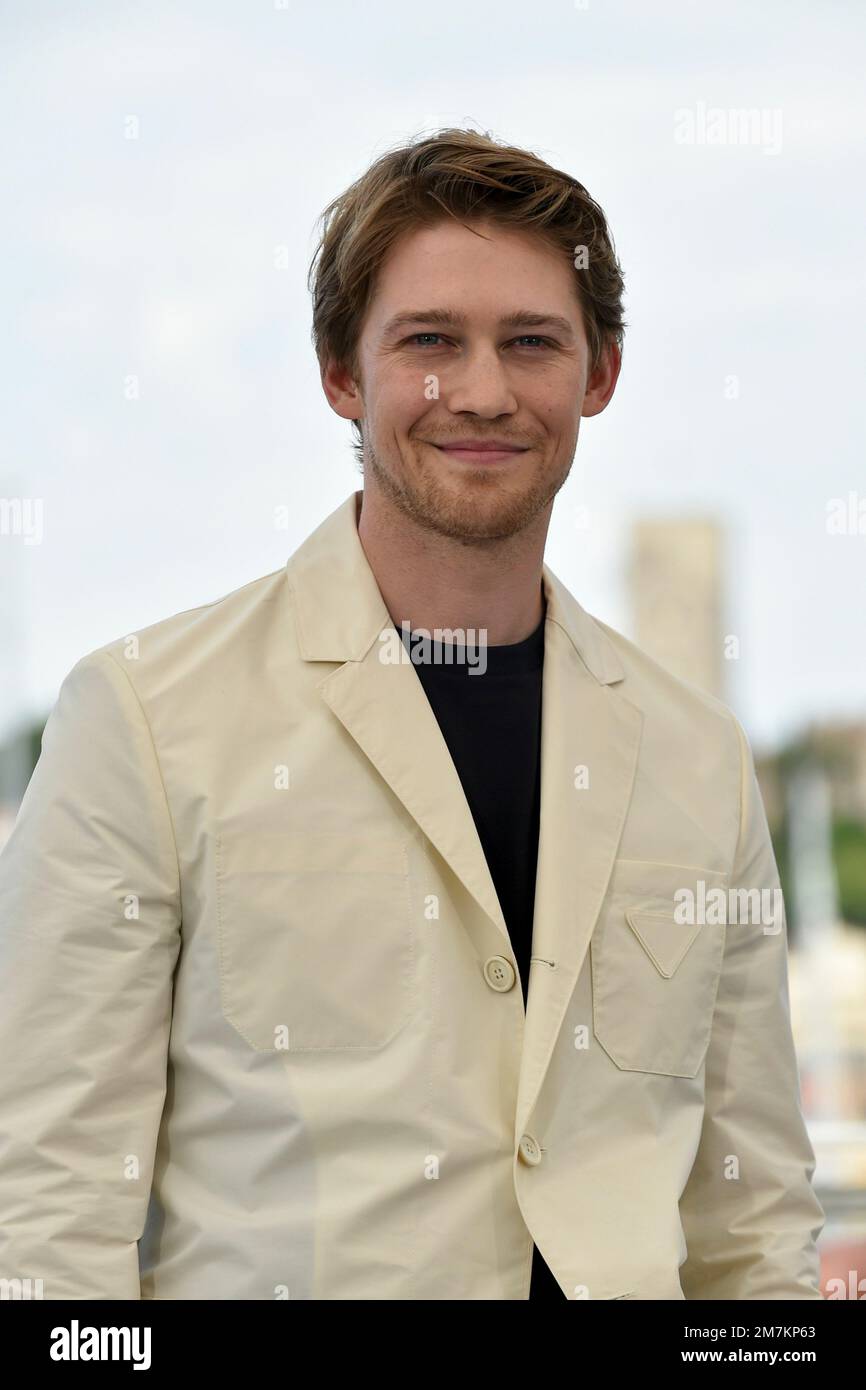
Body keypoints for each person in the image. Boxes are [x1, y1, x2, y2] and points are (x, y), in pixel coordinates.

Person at [0, 128, 824, 1299]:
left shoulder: (698, 755)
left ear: (599, 376)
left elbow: (751, 1223)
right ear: (343, 373)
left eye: (531, 343)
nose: (481, 391)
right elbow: (48, 1206)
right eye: (430, 340)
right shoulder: (142, 716)